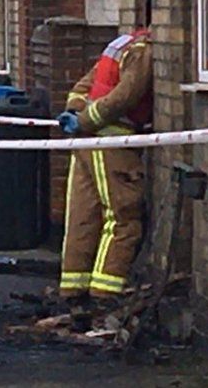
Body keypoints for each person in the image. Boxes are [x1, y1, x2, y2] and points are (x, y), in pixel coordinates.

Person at [56, 28, 153, 301]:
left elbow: (83, 86)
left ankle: (73, 288)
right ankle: (105, 294)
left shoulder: (119, 45)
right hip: (111, 143)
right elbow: (125, 96)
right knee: (123, 217)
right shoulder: (142, 52)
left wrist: (75, 113)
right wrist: (86, 120)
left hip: (84, 143)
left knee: (83, 216)